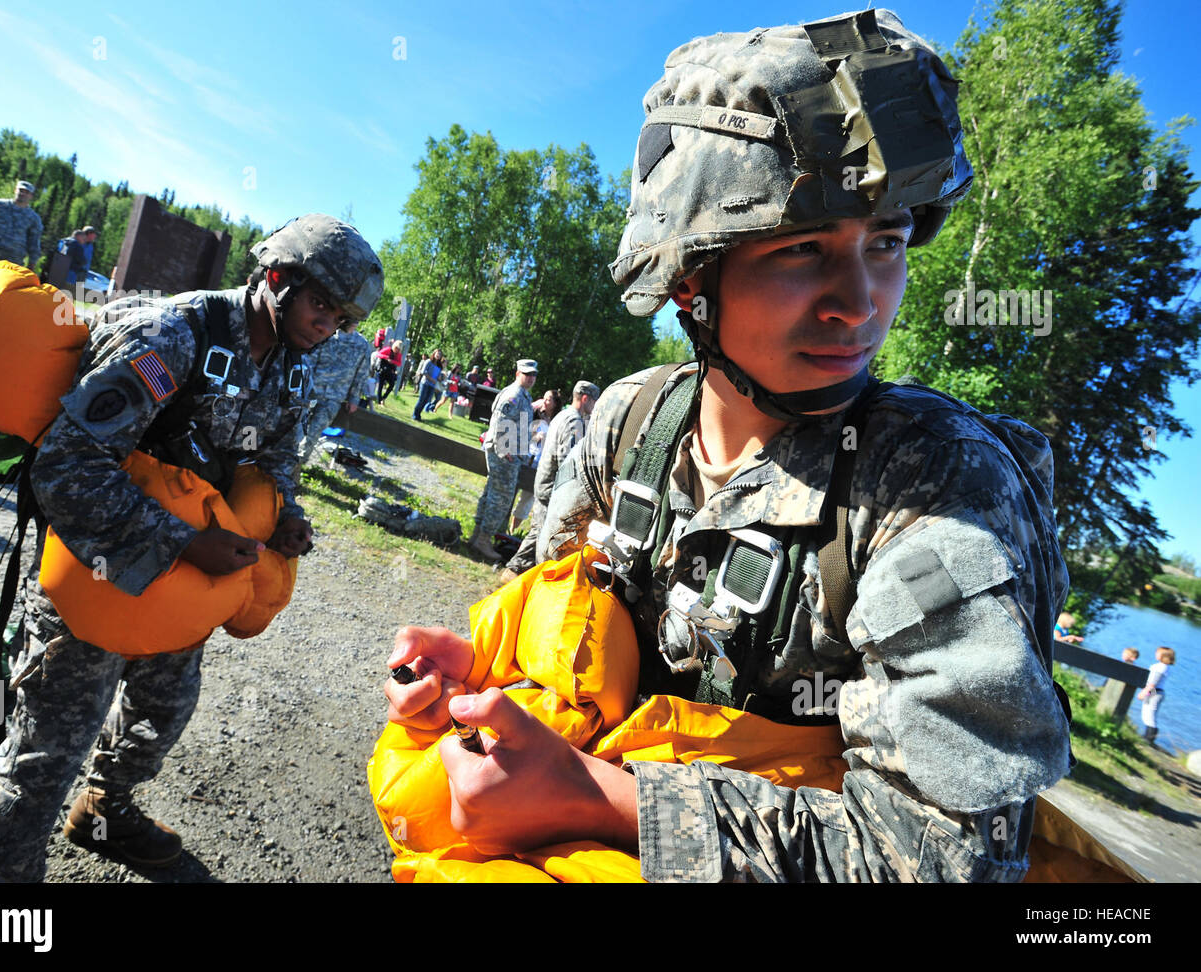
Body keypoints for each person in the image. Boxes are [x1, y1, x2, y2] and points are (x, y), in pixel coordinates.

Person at [385, 9, 1072, 882]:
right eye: (801, 250)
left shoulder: (933, 482)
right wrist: (475, 677)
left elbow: (945, 860)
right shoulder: (631, 421)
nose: (860, 303)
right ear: (690, 278)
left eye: (887, 244)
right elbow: (558, 636)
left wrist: (599, 800)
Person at [0, 214, 383, 881]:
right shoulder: (172, 336)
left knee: (160, 713)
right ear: (276, 279)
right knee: (46, 753)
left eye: (344, 316)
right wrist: (183, 542)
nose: (330, 324)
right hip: (101, 566)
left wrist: (284, 516)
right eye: (322, 303)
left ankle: (102, 810)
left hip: (183, 575)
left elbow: (270, 462)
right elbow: (66, 464)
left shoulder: (292, 367)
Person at [502, 380, 598, 580]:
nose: (595, 406)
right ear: (586, 398)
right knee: (542, 532)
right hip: (552, 485)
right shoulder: (574, 421)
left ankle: (519, 571)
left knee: (539, 528)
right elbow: (568, 460)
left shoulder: (562, 415)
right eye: (594, 401)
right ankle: (515, 570)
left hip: (544, 480)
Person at [468, 359, 537, 562]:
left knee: (492, 494)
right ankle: (483, 539)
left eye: (533, 374)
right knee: (500, 498)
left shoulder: (523, 395)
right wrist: (504, 449)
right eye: (527, 374)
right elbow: (499, 422)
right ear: (518, 374)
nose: (531, 378)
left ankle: (477, 536)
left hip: (511, 455)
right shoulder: (514, 395)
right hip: (504, 455)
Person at [301, 318, 373, 460]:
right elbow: (309, 361)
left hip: (334, 398)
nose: (354, 322)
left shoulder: (362, 345)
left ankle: (296, 465)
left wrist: (354, 399)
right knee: (295, 430)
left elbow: (361, 375)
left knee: (312, 434)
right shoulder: (327, 335)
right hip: (310, 392)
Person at [510, 388, 561, 530]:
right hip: (526, 456)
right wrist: (534, 437)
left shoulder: (558, 421)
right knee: (512, 490)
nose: (545, 401)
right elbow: (520, 432)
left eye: (549, 399)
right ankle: (501, 525)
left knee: (527, 498)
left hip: (542, 463)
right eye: (544, 398)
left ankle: (512, 530)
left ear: (555, 403)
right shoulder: (534, 413)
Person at [0, 180, 43, 271]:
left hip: (14, 257)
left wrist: (32, 262)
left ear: (31, 196)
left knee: (7, 282)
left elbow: (34, 241)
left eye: (27, 192)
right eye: (21, 190)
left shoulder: (34, 218)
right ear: (15, 190)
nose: (22, 194)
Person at [1137, 646, 1176, 745]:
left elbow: (1153, 683)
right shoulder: (1162, 666)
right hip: (1155, 691)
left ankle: (1149, 738)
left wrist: (1145, 692)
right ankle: (1147, 735)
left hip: (1155, 691)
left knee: (1149, 714)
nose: (1155, 654)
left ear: (1164, 656)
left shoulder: (1161, 667)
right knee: (1146, 713)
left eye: (1158, 653)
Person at [413, 349, 444, 421]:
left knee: (426, 400)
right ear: (434, 353)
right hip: (425, 383)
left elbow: (438, 376)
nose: (438, 355)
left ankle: (418, 415)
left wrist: (441, 378)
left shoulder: (439, 365)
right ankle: (415, 415)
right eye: (437, 353)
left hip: (432, 385)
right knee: (421, 399)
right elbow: (423, 371)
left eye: (440, 354)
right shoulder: (429, 361)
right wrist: (431, 379)